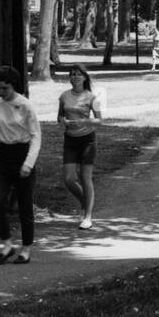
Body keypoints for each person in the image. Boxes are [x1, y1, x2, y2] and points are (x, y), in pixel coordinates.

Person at [0, 64, 42, 264]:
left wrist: (28, 164)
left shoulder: (25, 105)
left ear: (13, 85)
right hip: (4, 156)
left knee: (24, 206)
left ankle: (26, 248)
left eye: (4, 88)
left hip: (23, 154)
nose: (1, 92)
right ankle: (7, 243)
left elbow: (36, 137)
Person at [58, 65, 103, 230]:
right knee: (69, 179)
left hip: (87, 141)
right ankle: (85, 202)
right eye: (72, 74)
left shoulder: (92, 98)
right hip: (70, 140)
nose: (75, 77)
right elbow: (60, 116)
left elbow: (100, 120)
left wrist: (84, 121)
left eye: (78, 74)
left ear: (84, 77)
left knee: (85, 178)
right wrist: (63, 121)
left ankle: (87, 216)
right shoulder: (64, 96)